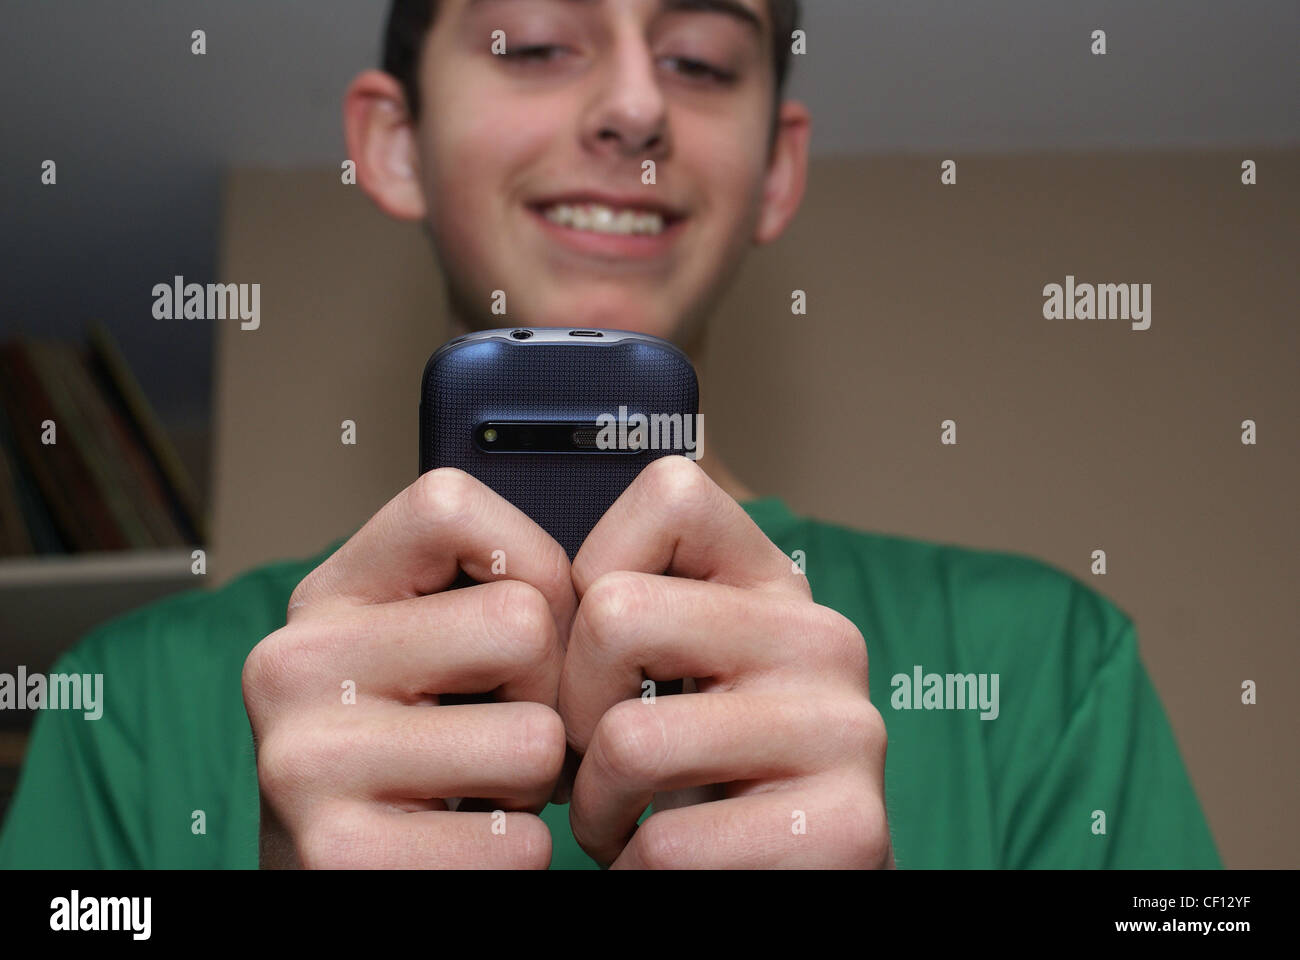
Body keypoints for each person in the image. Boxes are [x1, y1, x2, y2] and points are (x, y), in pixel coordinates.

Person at [0, 0, 1220, 869]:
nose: (636, 105)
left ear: (776, 171)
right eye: (531, 42)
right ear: (393, 141)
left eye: (698, 60)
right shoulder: (127, 698)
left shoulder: (1052, 662)